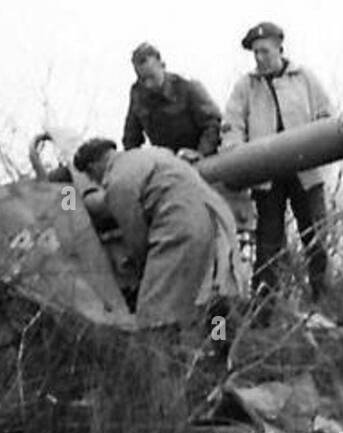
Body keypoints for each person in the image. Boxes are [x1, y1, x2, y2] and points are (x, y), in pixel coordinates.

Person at [72, 138, 243, 342]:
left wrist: (142, 267)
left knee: (155, 312)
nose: (95, 182)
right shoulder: (155, 153)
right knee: (214, 296)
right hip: (215, 218)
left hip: (178, 227)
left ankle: (161, 366)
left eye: (91, 177)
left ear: (93, 167)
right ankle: (222, 354)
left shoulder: (118, 181)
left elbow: (135, 233)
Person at [222, 21, 332, 304]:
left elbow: (325, 115)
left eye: (265, 52)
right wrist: (237, 156)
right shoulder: (246, 87)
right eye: (255, 53)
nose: (259, 58)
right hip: (267, 175)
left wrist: (319, 146)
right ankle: (265, 309)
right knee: (269, 247)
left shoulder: (304, 78)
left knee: (316, 238)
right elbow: (232, 124)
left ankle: (324, 301)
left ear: (279, 48)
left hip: (305, 171)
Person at [123, 43, 223, 162]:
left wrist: (201, 153)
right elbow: (131, 139)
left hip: (202, 159)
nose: (148, 85)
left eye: (152, 77)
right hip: (168, 163)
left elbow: (213, 123)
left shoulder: (187, 87)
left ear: (162, 66)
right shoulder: (138, 94)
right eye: (143, 79)